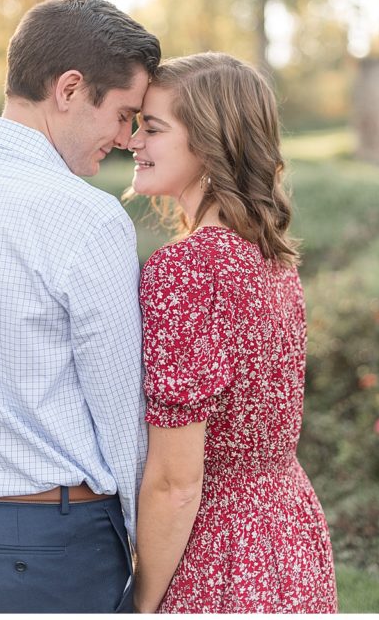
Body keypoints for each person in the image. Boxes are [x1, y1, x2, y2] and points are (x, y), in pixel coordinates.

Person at [0, 0, 161, 613]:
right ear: (69, 88)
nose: (124, 139)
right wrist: (148, 549)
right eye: (122, 114)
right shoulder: (88, 219)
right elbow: (121, 419)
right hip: (53, 550)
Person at [128, 53, 337, 613]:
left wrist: (140, 603)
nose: (133, 142)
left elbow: (176, 483)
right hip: (285, 532)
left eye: (151, 128)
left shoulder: (187, 270)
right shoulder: (271, 258)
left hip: (216, 553)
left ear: (209, 143)